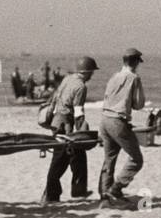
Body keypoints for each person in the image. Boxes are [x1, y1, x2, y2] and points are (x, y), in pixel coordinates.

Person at [42, 56, 98, 202]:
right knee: (60, 160)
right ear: (87, 71)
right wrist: (83, 134)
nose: (92, 75)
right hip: (64, 125)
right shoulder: (81, 87)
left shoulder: (68, 79)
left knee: (77, 156)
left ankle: (78, 190)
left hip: (57, 121)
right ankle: (50, 195)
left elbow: (55, 98)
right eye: (92, 72)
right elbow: (78, 113)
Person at [98, 48, 146, 209]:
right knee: (136, 159)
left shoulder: (114, 77)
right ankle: (116, 189)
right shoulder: (134, 78)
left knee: (109, 159)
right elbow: (139, 104)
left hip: (105, 119)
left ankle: (105, 197)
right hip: (118, 121)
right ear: (136, 62)